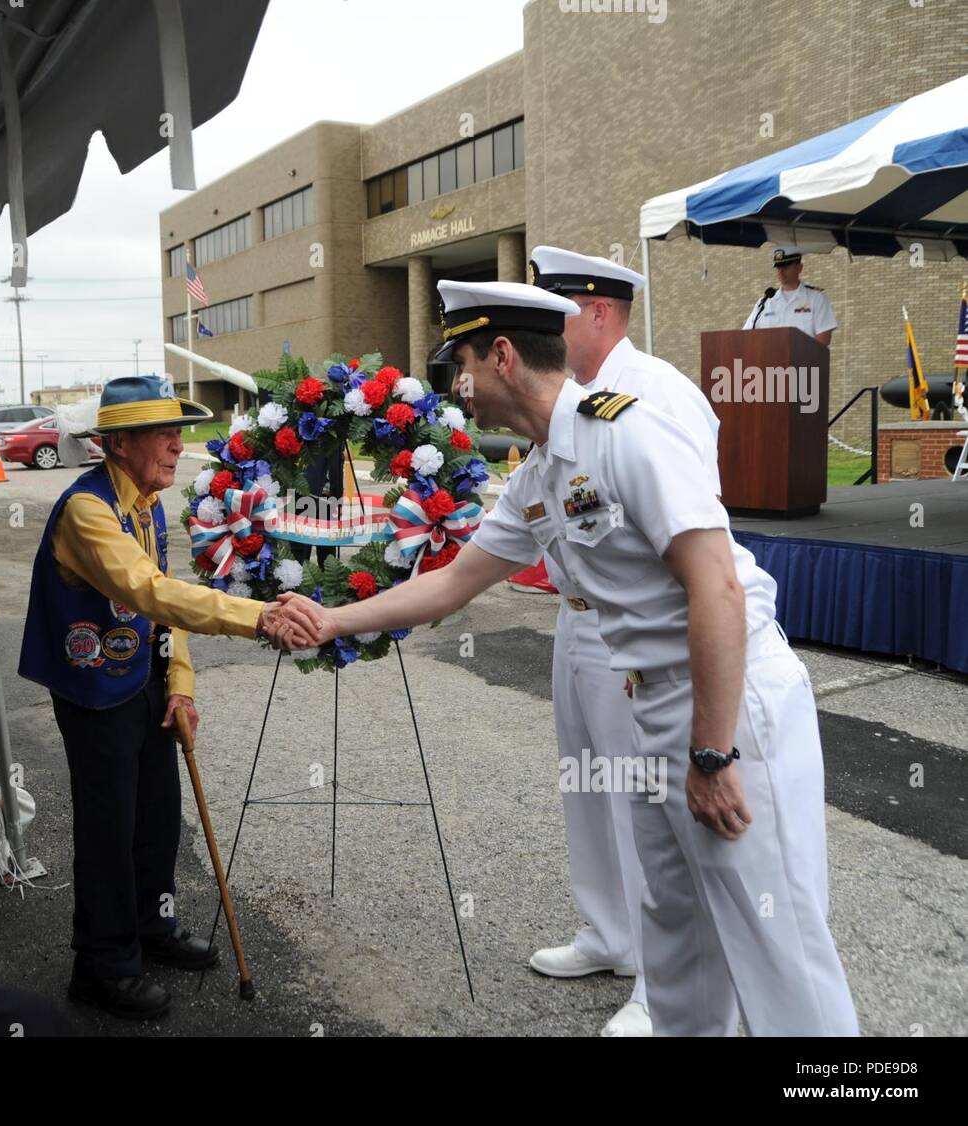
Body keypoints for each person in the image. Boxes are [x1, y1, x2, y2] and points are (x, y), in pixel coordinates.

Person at [271, 281, 858, 1037]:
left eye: (464, 365)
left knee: (778, 949)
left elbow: (716, 590)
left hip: (728, 701)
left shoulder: (628, 433)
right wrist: (329, 620)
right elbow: (452, 583)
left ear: (504, 357)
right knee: (676, 937)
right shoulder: (540, 474)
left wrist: (713, 753)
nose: (459, 388)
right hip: (653, 706)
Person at [18, 375, 316, 1021]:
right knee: (110, 829)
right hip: (94, 688)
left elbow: (161, 604)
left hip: (144, 681)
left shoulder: (147, 501)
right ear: (118, 443)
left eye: (180, 432)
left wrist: (180, 684)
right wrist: (258, 615)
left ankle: (152, 928)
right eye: (164, 432)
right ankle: (102, 965)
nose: (179, 445)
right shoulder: (87, 509)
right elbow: (149, 591)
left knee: (156, 817)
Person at [522, 246, 724, 1036]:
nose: (543, 334)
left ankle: (655, 976)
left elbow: (691, 522)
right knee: (586, 780)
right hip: (575, 617)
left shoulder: (654, 393)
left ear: (596, 311)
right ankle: (607, 933)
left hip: (633, 623)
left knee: (642, 794)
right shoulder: (571, 399)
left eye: (554, 316)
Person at [742, 246, 836, 345]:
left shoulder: (816, 299)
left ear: (799, 268)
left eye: (786, 267)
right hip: (769, 360)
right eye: (778, 268)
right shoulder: (765, 302)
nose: (781, 272)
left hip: (804, 360)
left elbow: (824, 338)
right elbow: (746, 335)